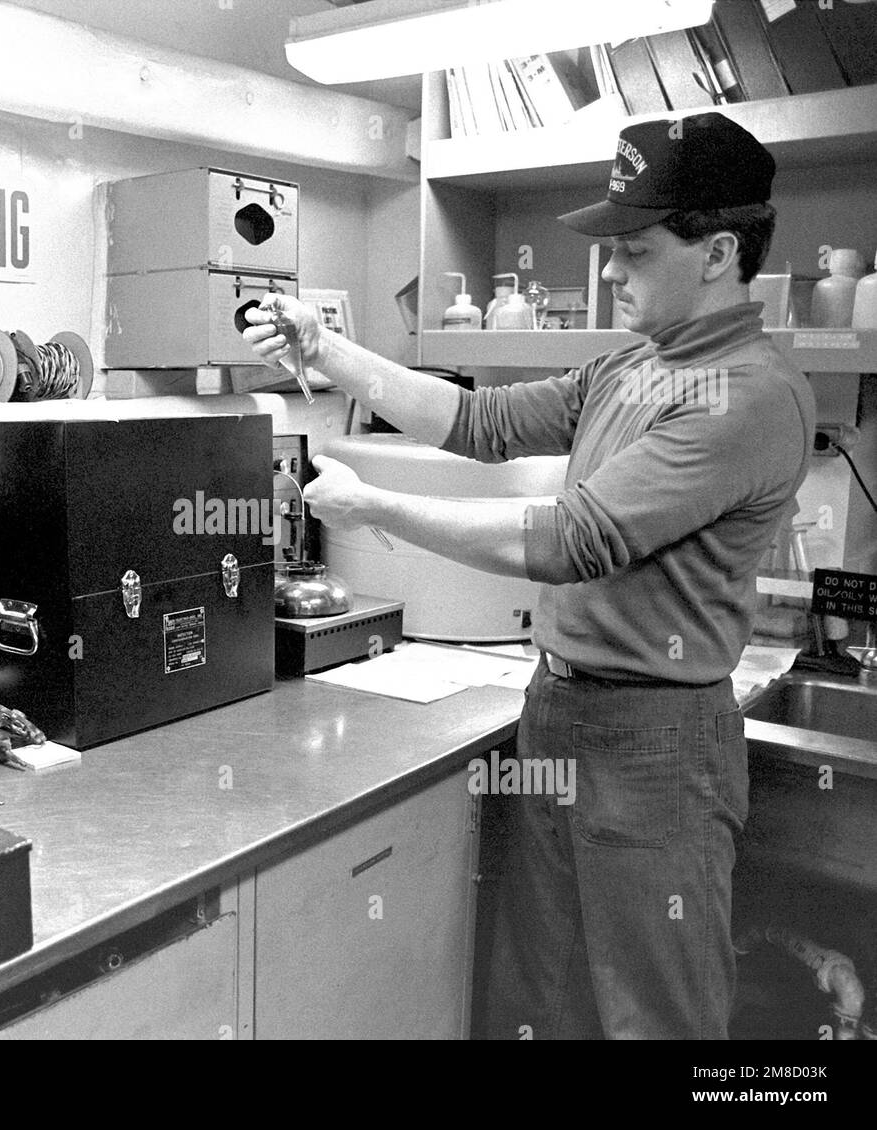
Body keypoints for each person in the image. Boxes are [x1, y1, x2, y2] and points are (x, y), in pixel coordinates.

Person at [242, 112, 816, 1040]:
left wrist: (379, 509)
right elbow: (482, 423)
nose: (612, 270)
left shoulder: (750, 396)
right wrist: (326, 349)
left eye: (633, 250)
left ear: (717, 252)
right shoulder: (631, 365)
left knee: (654, 1014)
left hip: (654, 741)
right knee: (536, 998)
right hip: (556, 710)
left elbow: (571, 539)